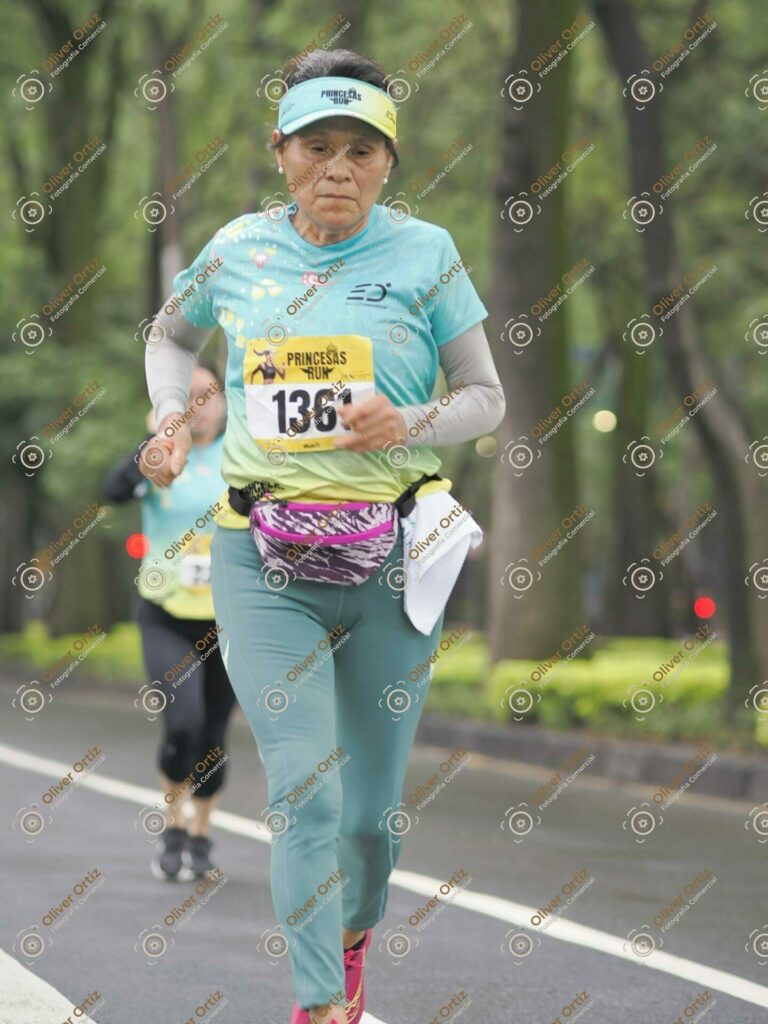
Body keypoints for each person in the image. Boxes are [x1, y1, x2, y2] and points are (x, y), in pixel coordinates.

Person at [139, 49, 505, 1024]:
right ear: (281, 153)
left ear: (388, 162)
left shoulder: (426, 253)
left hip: (392, 560)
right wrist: (171, 419)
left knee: (370, 822)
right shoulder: (238, 250)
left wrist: (409, 420)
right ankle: (319, 1005)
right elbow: (169, 334)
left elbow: (486, 396)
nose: (337, 168)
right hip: (261, 559)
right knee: (306, 790)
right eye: (316, 147)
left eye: (360, 150)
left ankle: (350, 939)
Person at [104, 362, 237, 882]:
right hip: (166, 614)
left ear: (224, 402)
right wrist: (150, 445)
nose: (199, 406)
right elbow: (114, 489)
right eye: (189, 396)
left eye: (209, 394)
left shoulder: (241, 454)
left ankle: (201, 831)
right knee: (183, 722)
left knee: (213, 733)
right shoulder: (160, 454)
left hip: (229, 619)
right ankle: (173, 823)